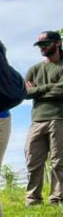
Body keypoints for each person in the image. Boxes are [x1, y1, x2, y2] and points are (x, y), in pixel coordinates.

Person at [24, 30, 63, 205]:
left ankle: (57, 198)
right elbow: (24, 93)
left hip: (59, 118)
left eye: (45, 44)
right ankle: (33, 199)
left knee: (59, 161)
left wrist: (37, 91)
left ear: (57, 43)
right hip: (37, 119)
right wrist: (50, 88)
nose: (41, 48)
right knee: (32, 160)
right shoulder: (34, 69)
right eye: (39, 45)